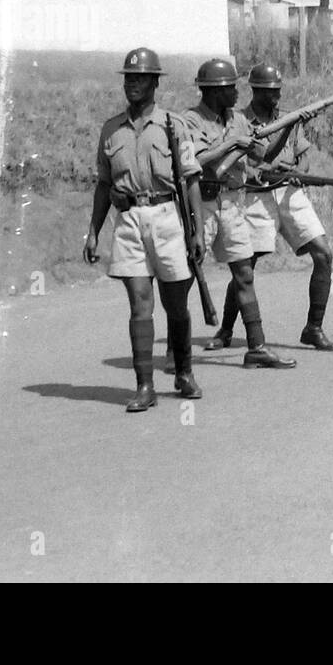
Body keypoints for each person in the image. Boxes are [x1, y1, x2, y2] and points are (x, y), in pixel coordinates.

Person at [84, 47, 206, 411]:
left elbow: (191, 179)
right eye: (129, 78)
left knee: (176, 304)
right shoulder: (111, 130)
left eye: (140, 79)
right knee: (139, 304)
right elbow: (104, 184)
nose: (132, 85)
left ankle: (183, 372)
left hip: (167, 217)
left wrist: (198, 231)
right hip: (129, 220)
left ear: (155, 83)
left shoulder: (174, 125)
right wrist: (93, 231)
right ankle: (144, 385)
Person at [208, 63, 333, 352]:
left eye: (278, 90)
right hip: (257, 196)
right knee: (245, 266)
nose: (276, 96)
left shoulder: (291, 118)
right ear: (255, 91)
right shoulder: (240, 121)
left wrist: (299, 172)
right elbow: (257, 159)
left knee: (324, 254)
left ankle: (314, 328)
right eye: (270, 91)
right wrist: (272, 158)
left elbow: (303, 156)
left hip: (290, 192)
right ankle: (226, 330)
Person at [183, 58, 295, 369]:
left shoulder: (238, 120)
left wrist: (287, 127)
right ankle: (176, 351)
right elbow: (197, 161)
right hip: (202, 203)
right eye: (230, 87)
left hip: (233, 202)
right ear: (214, 91)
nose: (236, 93)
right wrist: (232, 143)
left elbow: (263, 157)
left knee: (244, 273)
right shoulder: (190, 121)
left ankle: (257, 347)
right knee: (186, 277)